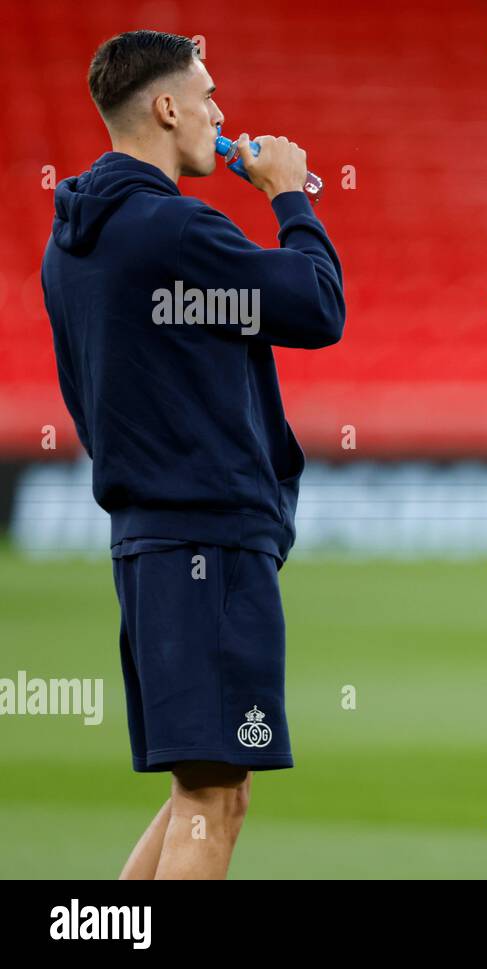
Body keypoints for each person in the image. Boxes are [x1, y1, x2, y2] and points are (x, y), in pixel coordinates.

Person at [42, 30, 344, 879]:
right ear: (167, 108)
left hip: (147, 537)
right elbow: (318, 308)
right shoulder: (174, 229)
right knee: (216, 796)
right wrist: (290, 198)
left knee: (201, 787)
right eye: (208, 96)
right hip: (209, 539)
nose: (221, 115)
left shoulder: (71, 241)